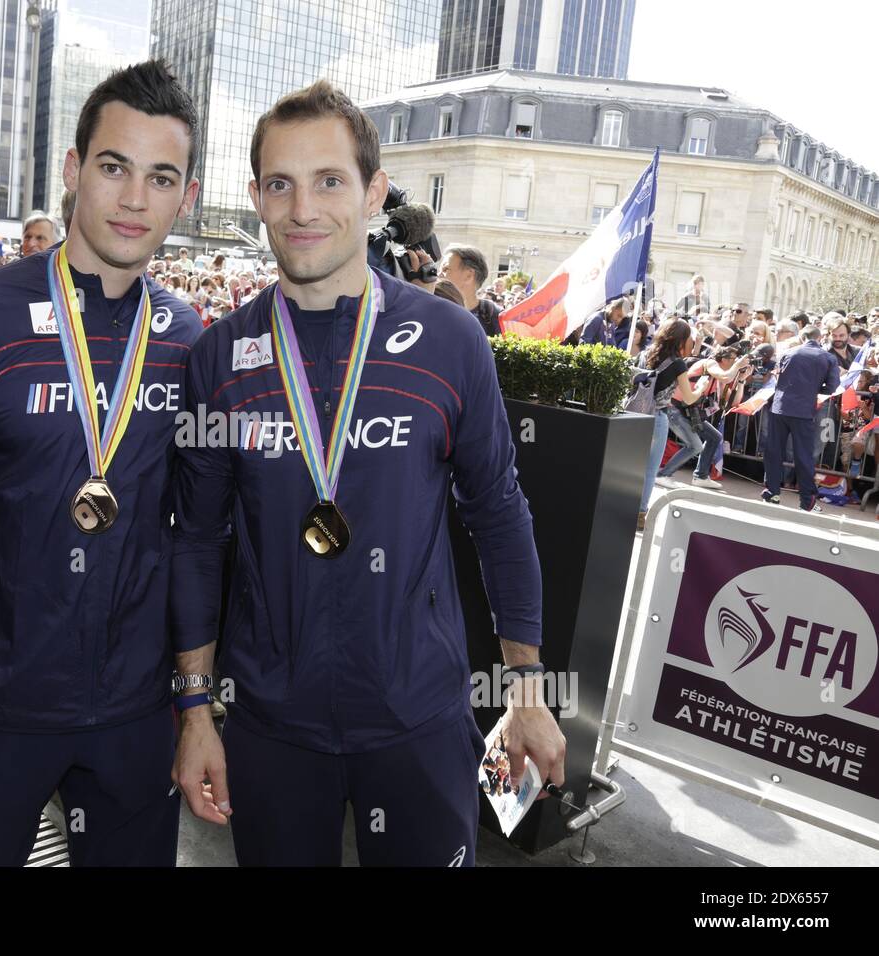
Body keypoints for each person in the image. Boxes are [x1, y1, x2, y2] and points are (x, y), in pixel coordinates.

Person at [169, 79, 562, 867]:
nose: (303, 208)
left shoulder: (450, 341)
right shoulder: (219, 356)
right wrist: (194, 709)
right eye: (280, 184)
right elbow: (197, 541)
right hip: (272, 725)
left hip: (419, 719)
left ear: (374, 191)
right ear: (256, 197)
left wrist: (527, 688)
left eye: (329, 181)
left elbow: (500, 514)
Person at [0, 59, 203, 867]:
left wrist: (194, 706)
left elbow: (200, 533)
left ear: (185, 197)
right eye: (114, 166)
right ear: (72, 169)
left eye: (161, 178)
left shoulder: (191, 340)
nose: (133, 199)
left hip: (134, 711)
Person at [762, 325, 840, 512]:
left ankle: (772, 492)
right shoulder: (828, 357)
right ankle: (807, 500)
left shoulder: (788, 352)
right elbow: (832, 387)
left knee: (773, 452)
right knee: (803, 456)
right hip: (803, 411)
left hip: (780, 408)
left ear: (802, 337)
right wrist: (814, 390)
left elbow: (777, 377)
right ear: (819, 338)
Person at [636, 319, 705, 528]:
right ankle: (640, 514)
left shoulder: (646, 353)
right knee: (649, 469)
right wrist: (701, 386)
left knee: (631, 464)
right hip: (657, 417)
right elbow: (688, 398)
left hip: (634, 414)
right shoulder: (677, 364)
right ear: (682, 340)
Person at [442, 243, 501, 336]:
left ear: (468, 275)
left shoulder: (496, 317)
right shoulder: (433, 312)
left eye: (445, 269)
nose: (438, 275)